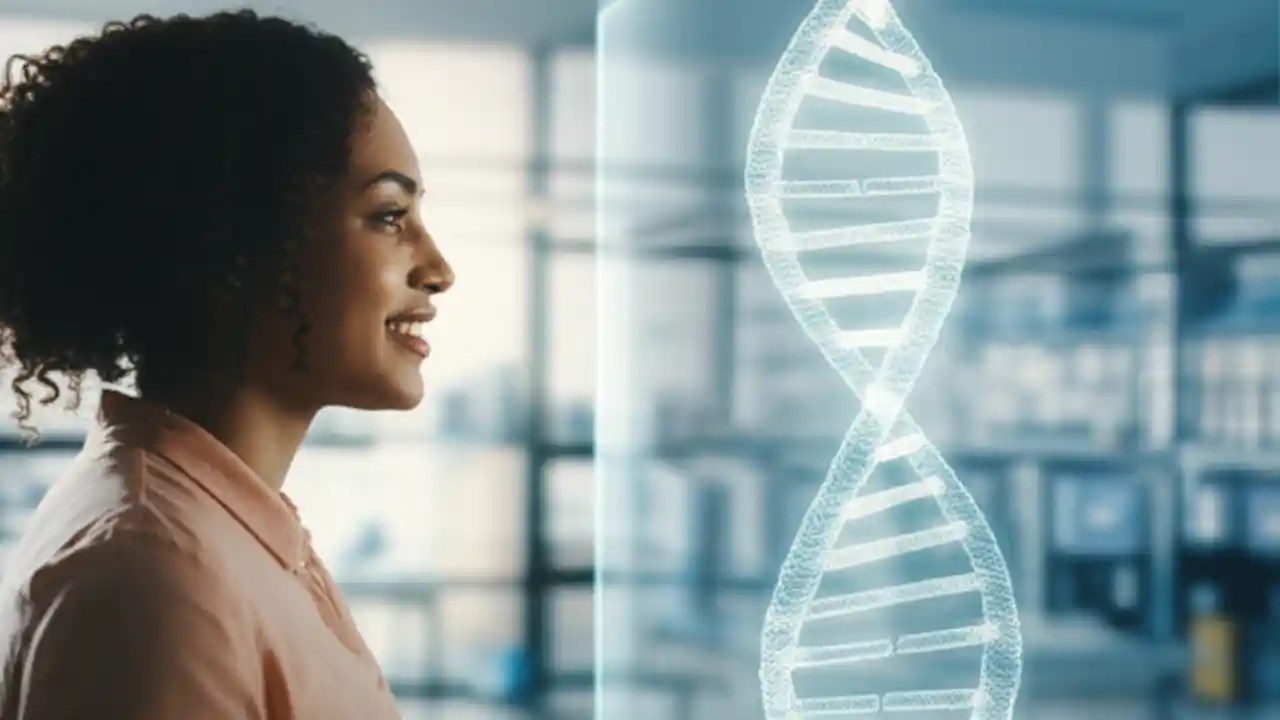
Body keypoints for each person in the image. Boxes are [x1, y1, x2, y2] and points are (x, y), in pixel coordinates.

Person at [0, 9, 454, 718]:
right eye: (388, 217)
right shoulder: (158, 578)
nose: (438, 271)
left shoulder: (215, 531)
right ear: (237, 247)